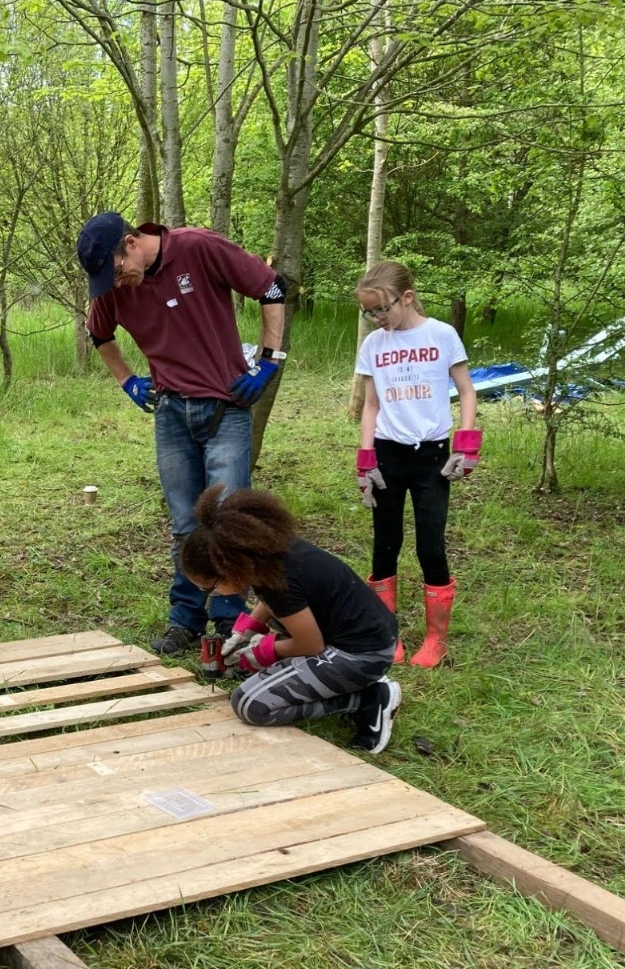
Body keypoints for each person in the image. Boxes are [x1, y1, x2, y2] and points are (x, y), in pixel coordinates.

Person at [76, 211, 287, 656]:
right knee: (185, 523)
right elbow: (99, 335)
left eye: (117, 271)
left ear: (132, 243)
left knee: (230, 519)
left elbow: (271, 287)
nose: (116, 284)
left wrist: (270, 360)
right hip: (171, 412)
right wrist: (128, 380)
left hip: (227, 405)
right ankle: (185, 619)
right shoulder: (115, 288)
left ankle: (231, 618)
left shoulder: (198, 248)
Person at [182, 486, 401, 754]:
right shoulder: (269, 554)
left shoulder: (282, 583)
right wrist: (246, 632)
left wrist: (261, 651)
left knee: (250, 705)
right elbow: (274, 601)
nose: (211, 594)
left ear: (230, 567)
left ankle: (365, 700)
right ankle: (354, 688)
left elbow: (310, 645)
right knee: (261, 685)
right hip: (370, 638)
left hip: (361, 655)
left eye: (210, 587)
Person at [354, 261, 480, 668]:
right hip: (389, 455)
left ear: (406, 297)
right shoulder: (374, 344)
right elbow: (371, 406)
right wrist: (365, 460)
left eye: (382, 309)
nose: (377, 318)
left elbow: (465, 390)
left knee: (430, 544)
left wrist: (467, 445)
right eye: (369, 312)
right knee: (384, 545)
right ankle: (385, 634)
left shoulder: (441, 335)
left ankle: (435, 639)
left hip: (432, 458)